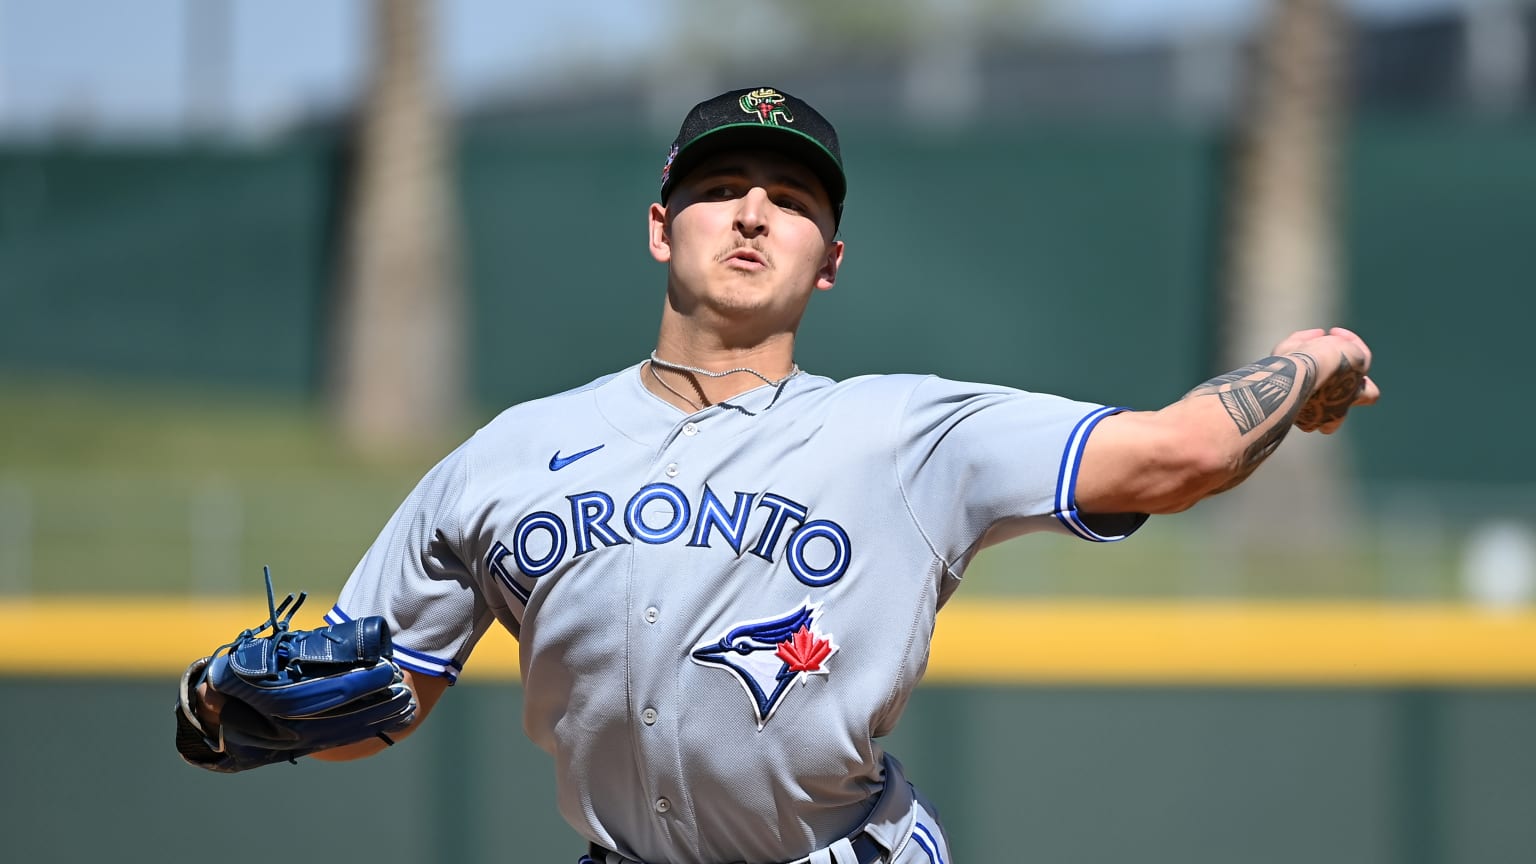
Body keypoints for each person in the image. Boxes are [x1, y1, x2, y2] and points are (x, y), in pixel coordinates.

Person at [179, 86, 1379, 864]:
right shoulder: (503, 456)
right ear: (663, 228)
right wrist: (237, 711)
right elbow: (376, 705)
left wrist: (1312, 357)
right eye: (719, 191)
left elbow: (1180, 454)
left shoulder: (908, 433)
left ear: (829, 261)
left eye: (791, 200)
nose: (752, 214)